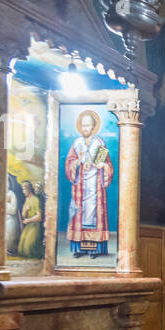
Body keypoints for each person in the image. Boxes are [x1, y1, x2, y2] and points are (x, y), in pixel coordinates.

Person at [64, 110, 113, 257]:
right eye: (83, 125)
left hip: (95, 186)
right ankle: (79, 248)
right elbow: (69, 162)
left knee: (94, 214)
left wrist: (102, 166)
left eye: (88, 125)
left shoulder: (100, 143)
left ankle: (95, 249)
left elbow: (107, 165)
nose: (85, 128)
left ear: (93, 127)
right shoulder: (77, 144)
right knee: (78, 213)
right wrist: (77, 163)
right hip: (80, 186)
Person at [18, 180, 44, 259]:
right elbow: (23, 215)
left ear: (29, 189)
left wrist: (28, 220)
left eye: (25, 189)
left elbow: (39, 217)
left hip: (35, 226)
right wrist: (25, 210)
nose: (23, 191)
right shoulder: (27, 199)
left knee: (28, 249)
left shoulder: (35, 199)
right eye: (22, 189)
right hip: (28, 226)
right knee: (21, 250)